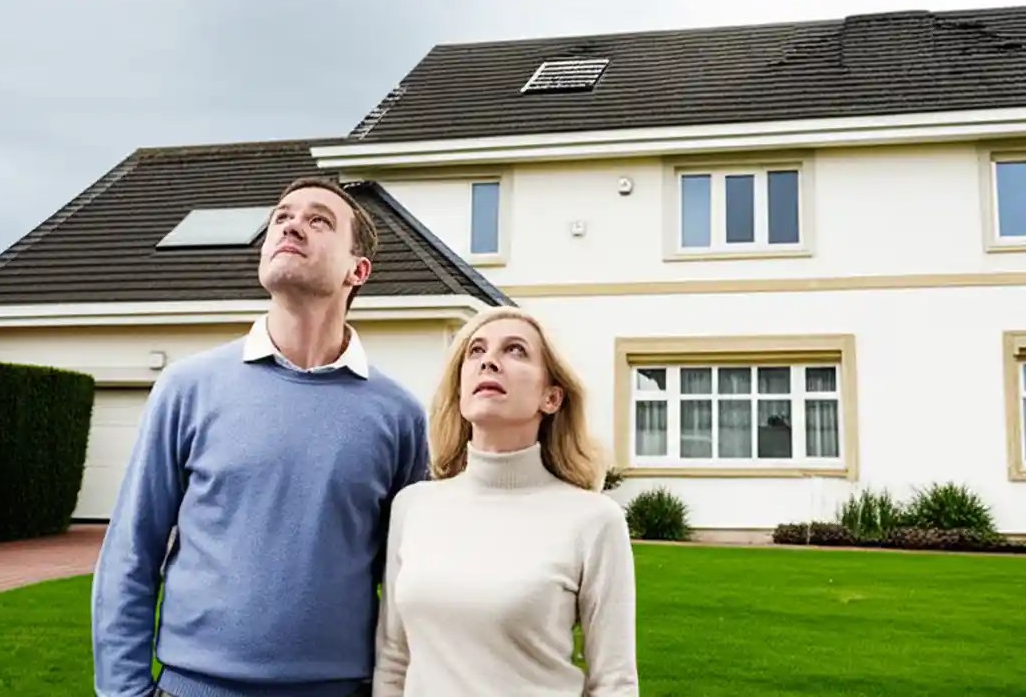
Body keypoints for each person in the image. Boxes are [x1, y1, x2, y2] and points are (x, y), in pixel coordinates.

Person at [91, 177, 430, 697]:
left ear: (356, 271)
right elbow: (131, 553)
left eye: (319, 220)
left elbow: (412, 583)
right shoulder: (188, 388)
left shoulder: (399, 415)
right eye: (282, 216)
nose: (292, 224)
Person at [373, 306, 639, 696]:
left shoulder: (595, 520)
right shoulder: (413, 507)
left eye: (515, 351)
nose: (490, 362)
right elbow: (395, 659)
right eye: (476, 351)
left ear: (552, 397)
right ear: (460, 389)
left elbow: (614, 682)